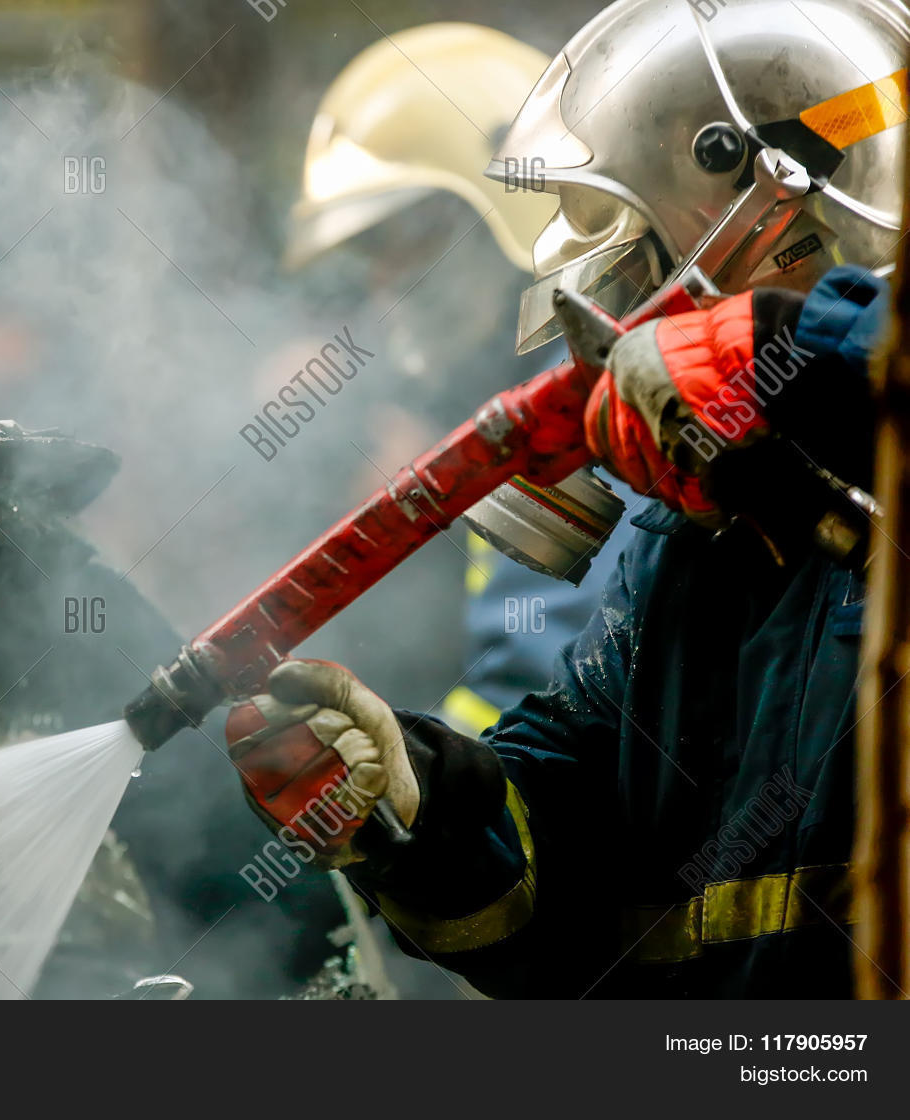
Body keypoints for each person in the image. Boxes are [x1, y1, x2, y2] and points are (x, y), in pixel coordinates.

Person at [226, 0, 905, 997]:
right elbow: (568, 884)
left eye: (642, 256)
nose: (626, 307)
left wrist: (790, 356)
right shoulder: (691, 551)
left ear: (786, 217)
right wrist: (415, 803)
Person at [280, 22, 640, 736]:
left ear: (507, 218)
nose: (384, 282)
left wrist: (404, 798)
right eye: (368, 254)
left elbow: (542, 712)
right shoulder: (483, 403)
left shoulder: (576, 414)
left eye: (403, 239)